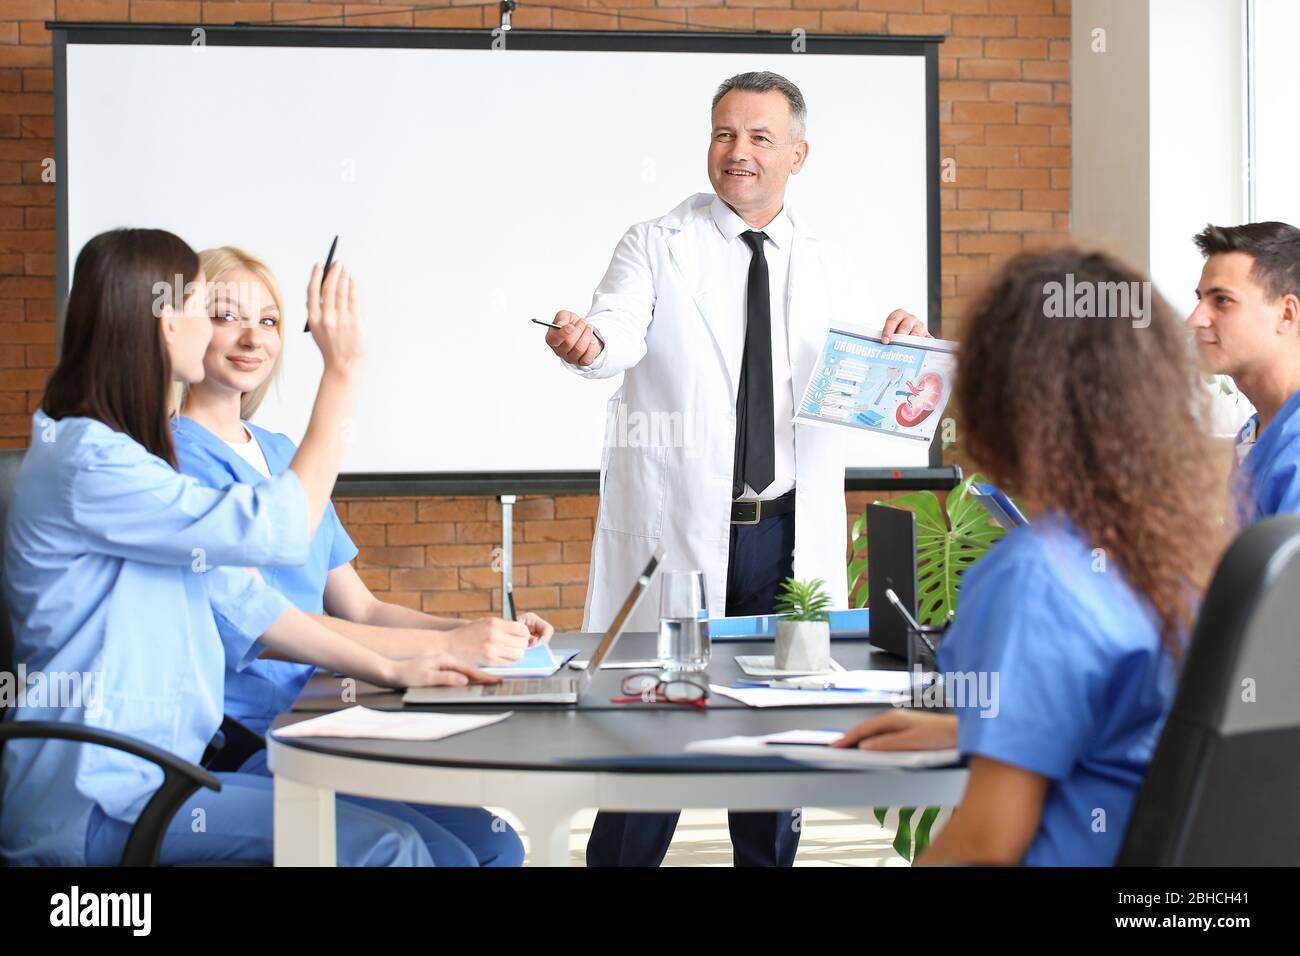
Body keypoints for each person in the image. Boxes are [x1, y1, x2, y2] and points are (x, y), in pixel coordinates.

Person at [544, 70, 928, 867]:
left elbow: (866, 388)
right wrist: (589, 346)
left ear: (798, 154)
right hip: (681, 535)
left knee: (776, 743)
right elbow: (616, 327)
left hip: (786, 535)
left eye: (759, 137)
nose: (738, 152)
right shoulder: (657, 243)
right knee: (657, 734)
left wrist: (901, 346)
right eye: (724, 133)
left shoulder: (831, 266)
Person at [0, 228, 475, 866]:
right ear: (168, 324)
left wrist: (401, 663)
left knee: (448, 845)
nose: (234, 333)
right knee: (388, 849)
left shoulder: (131, 468)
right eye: (209, 311)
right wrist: (343, 370)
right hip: (103, 799)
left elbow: (245, 601)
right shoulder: (92, 465)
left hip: (165, 777)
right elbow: (279, 530)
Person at [832, 248, 1230, 865]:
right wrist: (972, 731)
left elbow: (987, 843)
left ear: (1000, 398)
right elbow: (1126, 736)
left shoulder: (1037, 575)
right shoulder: (1177, 552)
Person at [171, 245, 553, 866]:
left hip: (329, 719)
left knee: (496, 844)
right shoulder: (175, 461)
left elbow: (363, 610)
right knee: (444, 857)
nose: (252, 337)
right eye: (225, 315)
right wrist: (438, 651)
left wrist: (475, 632)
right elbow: (266, 623)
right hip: (251, 740)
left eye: (269, 321)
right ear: (186, 328)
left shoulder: (286, 450)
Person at [1187, 221, 1300, 522]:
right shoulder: (1254, 434)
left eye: (1222, 301)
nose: (1195, 319)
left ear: (1286, 314)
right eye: (1200, 299)